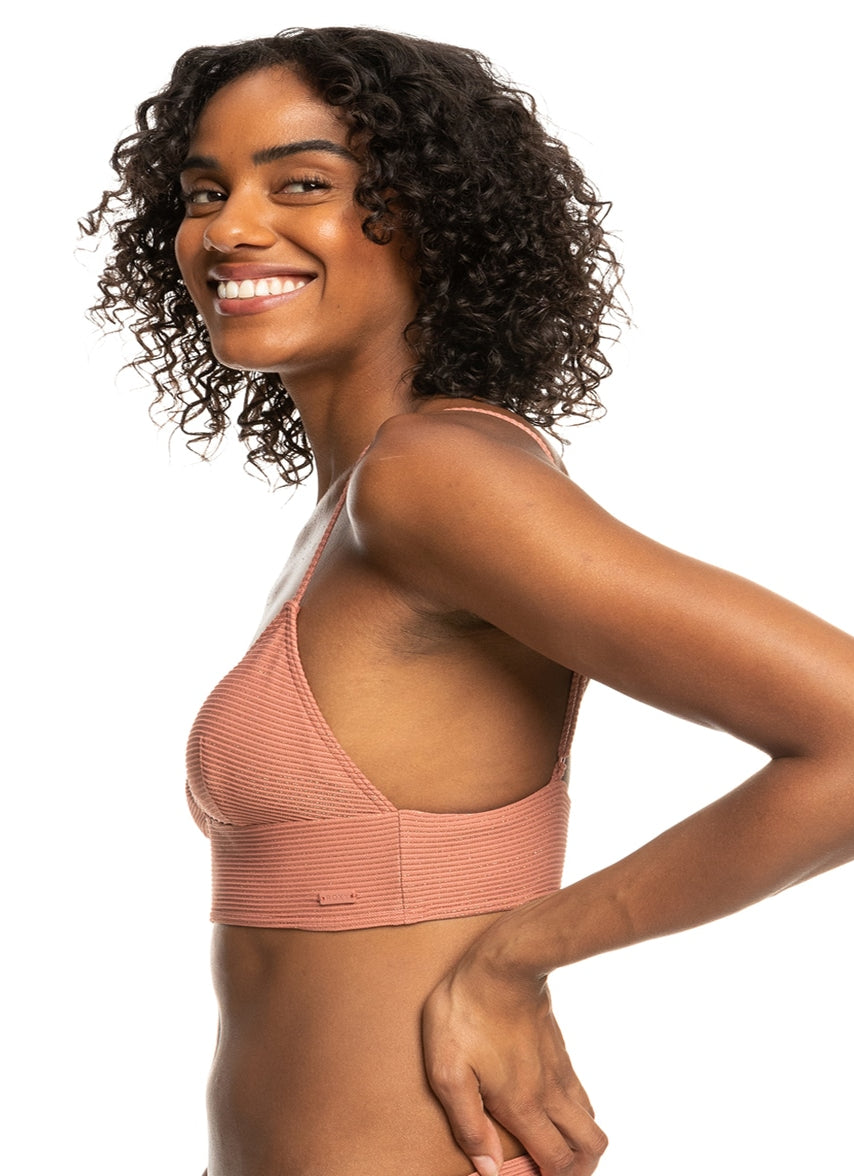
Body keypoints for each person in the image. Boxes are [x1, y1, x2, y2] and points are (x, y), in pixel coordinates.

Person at [82, 26, 854, 1176]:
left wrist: (516, 958)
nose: (231, 228)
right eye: (205, 191)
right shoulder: (357, 507)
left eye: (301, 184)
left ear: (432, 218)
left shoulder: (428, 480)